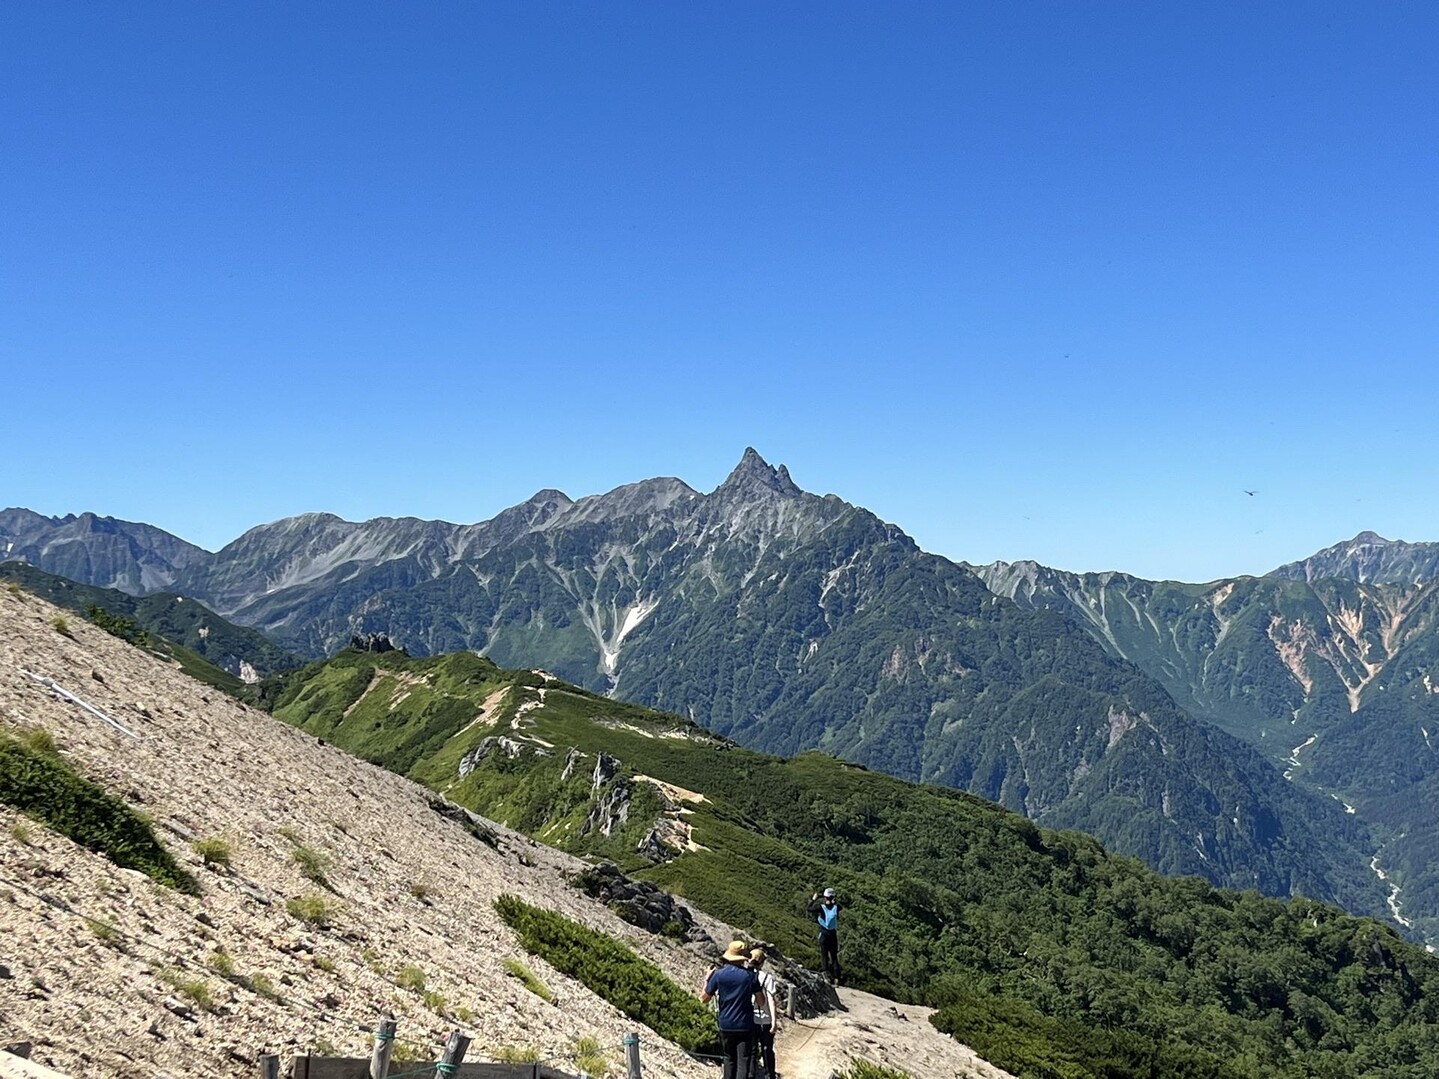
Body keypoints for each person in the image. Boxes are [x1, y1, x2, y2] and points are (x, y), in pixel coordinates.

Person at [702, 939, 762, 1079]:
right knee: (743, 1060)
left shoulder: (719, 974)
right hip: (745, 1024)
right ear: (743, 958)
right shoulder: (750, 976)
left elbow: (704, 998)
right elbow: (761, 1000)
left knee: (728, 1058)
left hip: (725, 1023)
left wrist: (706, 980)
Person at [748, 947, 781, 1079]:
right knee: (767, 1048)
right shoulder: (767, 978)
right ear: (762, 963)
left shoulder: (746, 975)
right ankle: (769, 1075)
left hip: (750, 1018)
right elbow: (771, 1000)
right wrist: (774, 1021)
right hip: (765, 1019)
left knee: (752, 1049)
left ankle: (750, 1074)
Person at [807, 887, 842, 984]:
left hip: (824, 933)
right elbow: (840, 906)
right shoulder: (837, 907)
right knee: (834, 957)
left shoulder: (821, 907)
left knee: (824, 956)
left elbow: (809, 909)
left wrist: (814, 899)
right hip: (833, 934)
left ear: (825, 897)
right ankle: (836, 978)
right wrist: (834, 902)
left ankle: (826, 978)